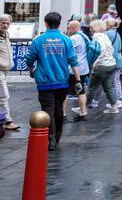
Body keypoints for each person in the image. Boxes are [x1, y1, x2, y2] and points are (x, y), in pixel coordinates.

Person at [26, 12, 81, 151]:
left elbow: (30, 58)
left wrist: (31, 70)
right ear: (60, 23)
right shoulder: (66, 40)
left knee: (47, 109)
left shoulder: (39, 40)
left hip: (44, 82)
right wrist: (78, 80)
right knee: (59, 109)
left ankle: (51, 138)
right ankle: (57, 136)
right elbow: (73, 61)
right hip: (62, 81)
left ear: (46, 23)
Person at [87, 20, 119, 114]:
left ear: (95, 28)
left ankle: (83, 107)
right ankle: (114, 107)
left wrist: (96, 63)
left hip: (102, 65)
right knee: (109, 87)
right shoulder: (105, 36)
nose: (90, 29)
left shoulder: (97, 37)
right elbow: (111, 50)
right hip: (111, 64)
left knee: (92, 87)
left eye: (91, 27)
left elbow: (101, 51)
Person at [64, 19, 93, 121]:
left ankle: (63, 114)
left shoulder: (73, 38)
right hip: (84, 68)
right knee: (81, 91)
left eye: (68, 28)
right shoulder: (85, 36)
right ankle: (83, 112)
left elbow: (67, 52)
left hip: (74, 69)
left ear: (73, 28)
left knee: (65, 92)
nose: (67, 30)